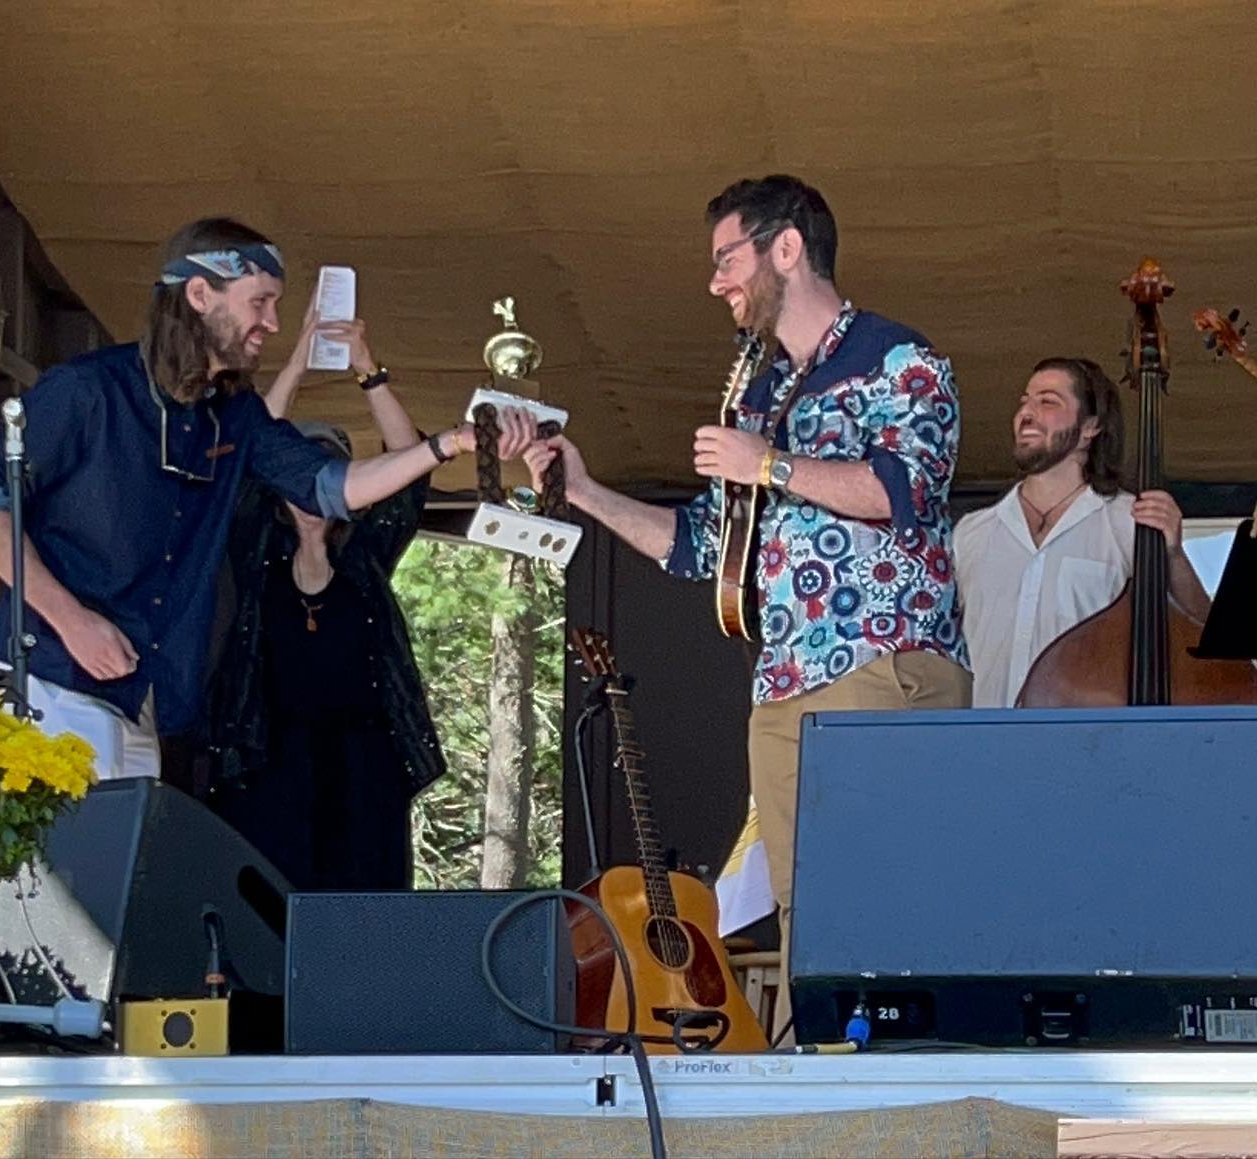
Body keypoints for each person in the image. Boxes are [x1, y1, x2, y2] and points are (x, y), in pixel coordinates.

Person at [524, 174, 970, 1043]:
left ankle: (911, 1070)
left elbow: (906, 490)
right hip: (782, 676)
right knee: (807, 900)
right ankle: (826, 1070)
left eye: (727, 259)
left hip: (879, 662)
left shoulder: (897, 361)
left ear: (787, 248)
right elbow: (702, 546)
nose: (717, 282)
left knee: (883, 888)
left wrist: (767, 463)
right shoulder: (765, 392)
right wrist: (582, 490)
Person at [0, 217, 532, 779]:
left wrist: (450, 442)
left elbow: (334, 487)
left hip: (146, 701)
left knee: (121, 876)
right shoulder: (85, 390)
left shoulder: (236, 414)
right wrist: (71, 619)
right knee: (48, 878)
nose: (273, 324)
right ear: (200, 294)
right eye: (260, 303)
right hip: (52, 680)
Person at [205, 307, 441, 888]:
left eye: (327, 471)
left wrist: (368, 371)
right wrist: (297, 363)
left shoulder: (364, 556)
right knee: (271, 905)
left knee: (365, 908)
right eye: (297, 472)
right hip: (269, 757)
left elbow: (408, 473)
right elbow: (243, 447)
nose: (311, 486)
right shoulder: (256, 547)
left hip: (365, 763)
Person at [954, 356, 1210, 707]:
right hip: (981, 743)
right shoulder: (970, 532)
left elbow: (1201, 635)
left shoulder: (1129, 521)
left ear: (1090, 427)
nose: (1026, 413)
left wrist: (1173, 554)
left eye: (1047, 402)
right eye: (1024, 401)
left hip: (1086, 744)